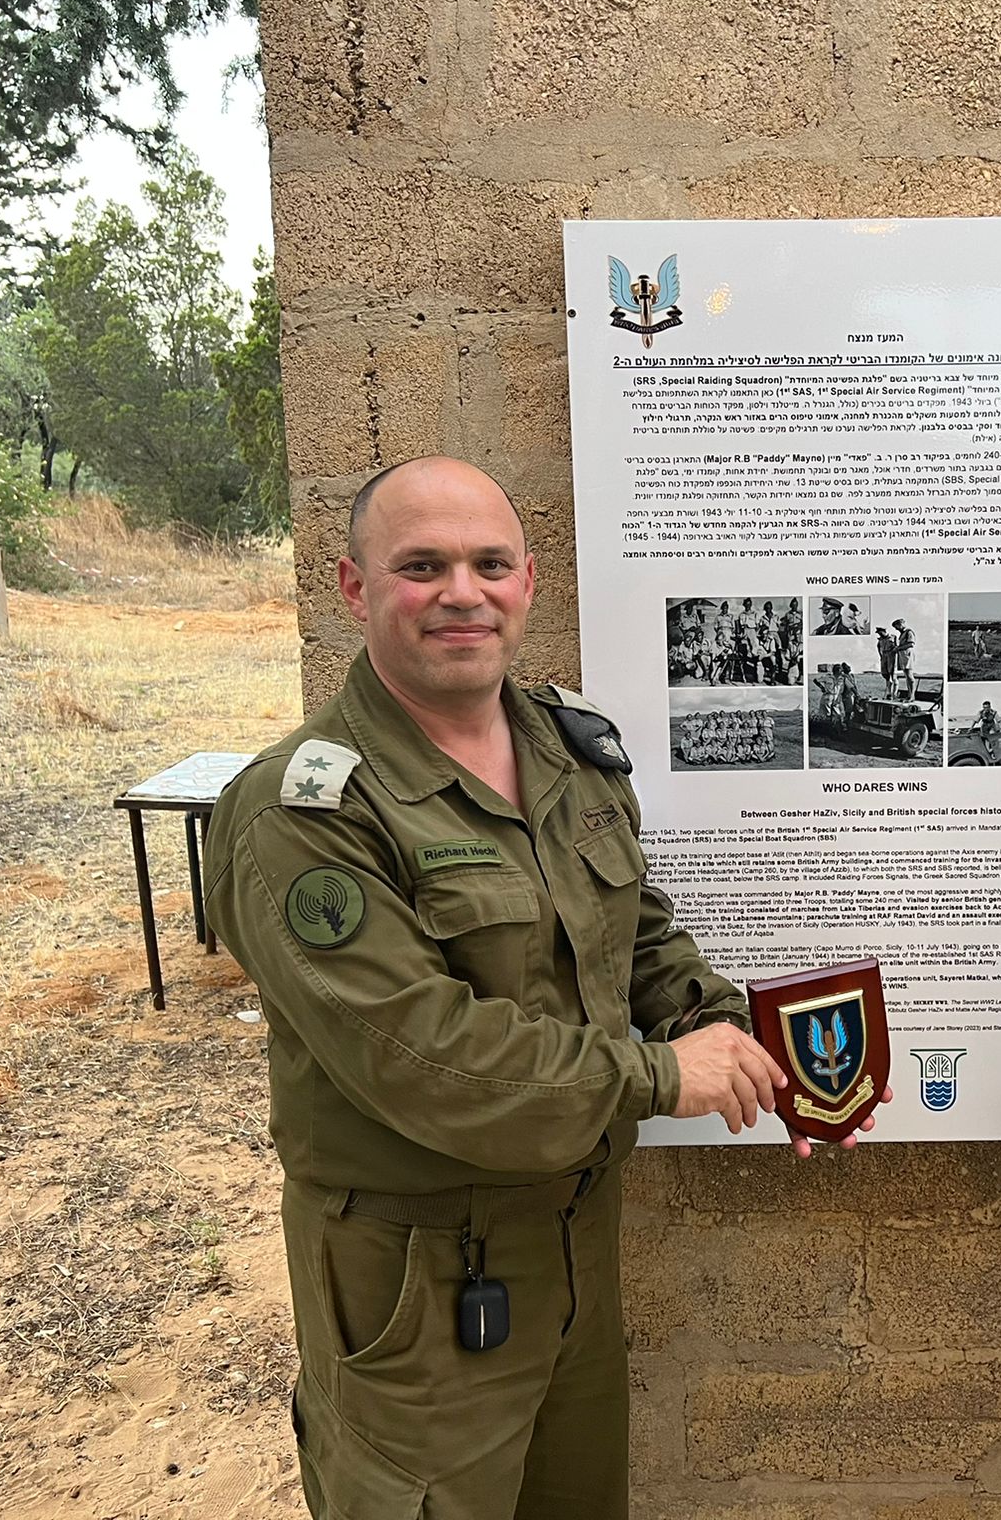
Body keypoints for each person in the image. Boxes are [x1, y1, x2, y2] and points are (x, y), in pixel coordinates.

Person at [205, 456, 882, 1520]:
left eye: (488, 563)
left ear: (526, 583)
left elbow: (638, 935)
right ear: (353, 588)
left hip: (574, 1243)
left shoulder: (569, 753)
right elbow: (424, 1058)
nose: (460, 592)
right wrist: (663, 1076)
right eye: (420, 566)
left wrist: (741, 1041)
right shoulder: (302, 813)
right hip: (415, 1277)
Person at [891, 619, 916, 701]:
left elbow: (911, 644)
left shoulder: (909, 632)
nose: (896, 629)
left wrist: (898, 648)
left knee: (910, 676)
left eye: (896, 626)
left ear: (901, 624)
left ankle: (912, 696)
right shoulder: (902, 634)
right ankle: (910, 695)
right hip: (903, 656)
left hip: (908, 655)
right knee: (907, 677)